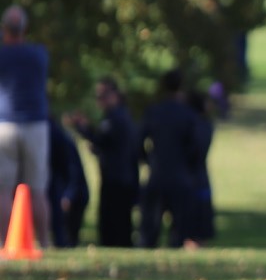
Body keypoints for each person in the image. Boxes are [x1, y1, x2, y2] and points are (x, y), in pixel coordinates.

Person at [0, 4, 52, 248]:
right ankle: (44, 242)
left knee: (3, 190)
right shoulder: (39, 54)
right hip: (35, 125)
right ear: (24, 29)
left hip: (5, 125)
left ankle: (4, 242)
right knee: (37, 190)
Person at [68, 77, 139, 247]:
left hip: (117, 178)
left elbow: (102, 140)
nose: (100, 99)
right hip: (120, 176)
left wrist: (83, 129)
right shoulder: (119, 115)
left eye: (103, 94)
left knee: (114, 223)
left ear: (115, 95)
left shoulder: (116, 117)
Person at [138, 69, 198, 248]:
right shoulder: (188, 114)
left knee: (150, 227)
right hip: (180, 175)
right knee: (179, 227)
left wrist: (149, 160)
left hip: (157, 173)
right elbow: (195, 147)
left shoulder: (154, 111)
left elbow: (139, 141)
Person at [47, 116, 89, 248]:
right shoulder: (58, 135)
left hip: (75, 195)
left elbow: (73, 172)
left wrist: (68, 196)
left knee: (68, 237)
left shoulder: (60, 140)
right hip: (65, 191)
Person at [187, 91, 215, 247]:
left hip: (194, 173)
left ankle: (194, 239)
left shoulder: (196, 125)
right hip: (199, 174)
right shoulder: (205, 124)